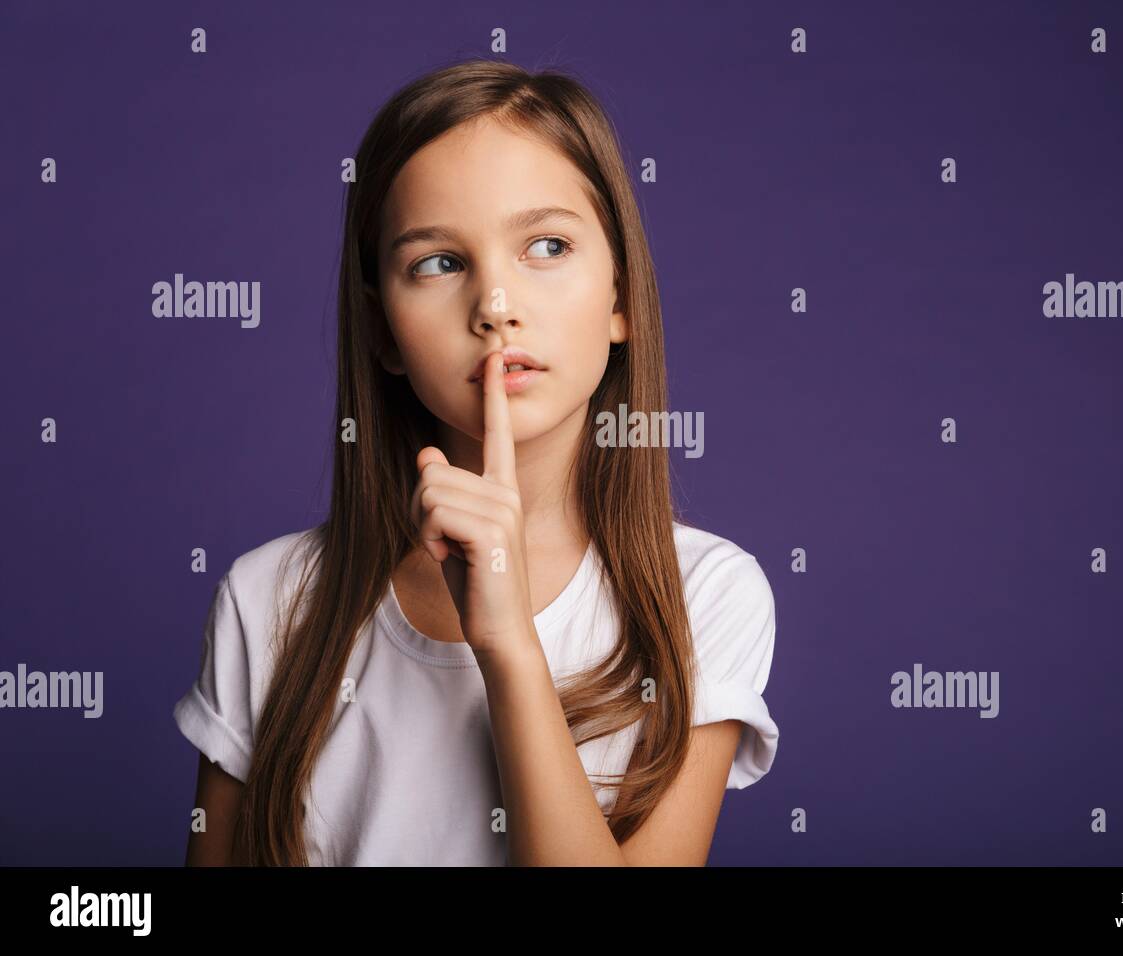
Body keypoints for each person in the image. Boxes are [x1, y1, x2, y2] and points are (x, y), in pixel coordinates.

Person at [172, 57, 779, 866]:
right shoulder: (266, 600)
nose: (495, 305)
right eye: (438, 263)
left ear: (622, 301)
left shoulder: (703, 597)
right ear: (384, 331)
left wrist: (508, 645)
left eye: (548, 245)